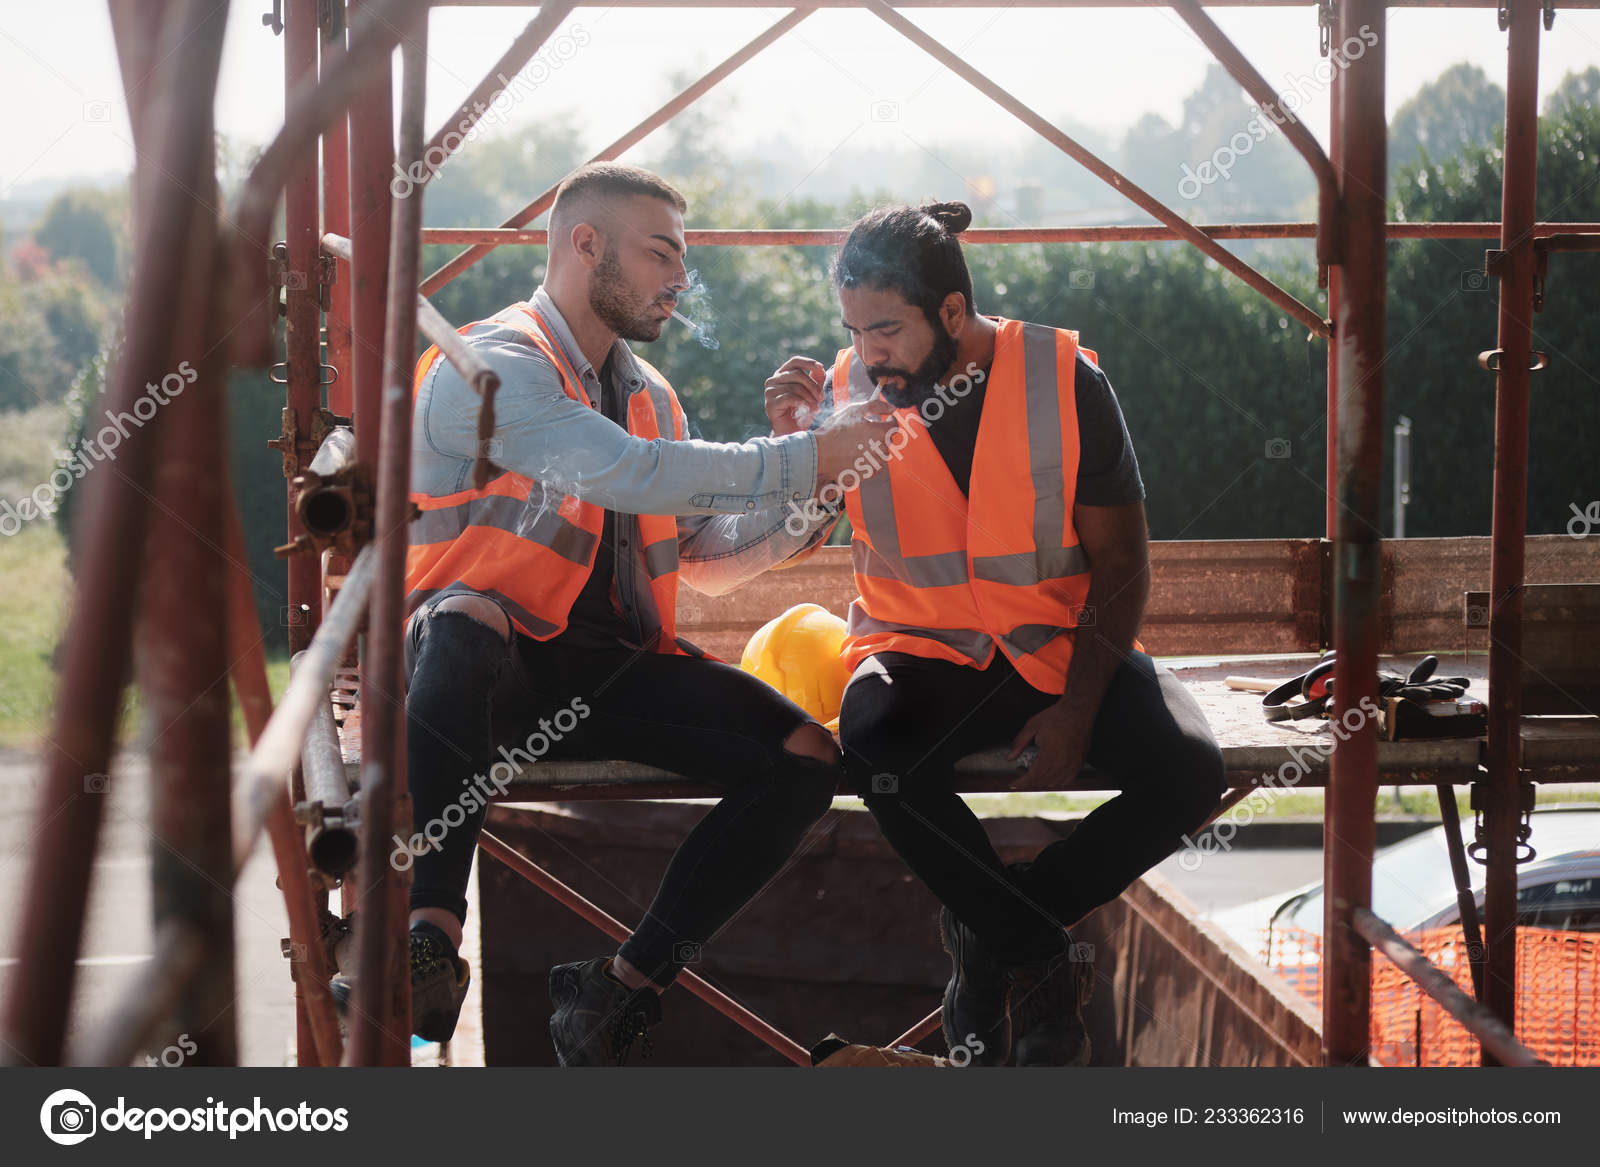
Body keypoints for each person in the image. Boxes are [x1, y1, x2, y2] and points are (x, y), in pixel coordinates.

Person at [351, 163, 895, 1064]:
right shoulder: (489, 367)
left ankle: (621, 985)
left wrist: (823, 480)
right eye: (662, 254)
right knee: (467, 619)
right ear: (585, 245)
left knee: (804, 757)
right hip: (476, 679)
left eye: (683, 258)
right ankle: (432, 936)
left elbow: (712, 558)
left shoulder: (652, 396)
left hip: (604, 675)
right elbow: (623, 472)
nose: (681, 279)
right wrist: (802, 452)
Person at [763, 201, 1226, 1066]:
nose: (870, 352)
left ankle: (992, 927)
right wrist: (794, 447)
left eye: (888, 329)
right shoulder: (841, 396)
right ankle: (1038, 953)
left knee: (1192, 769)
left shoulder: (1064, 379)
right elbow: (792, 538)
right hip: (917, 650)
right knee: (876, 756)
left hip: (1057, 644)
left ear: (949, 312)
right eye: (855, 329)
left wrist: (1081, 710)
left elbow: (1123, 561)